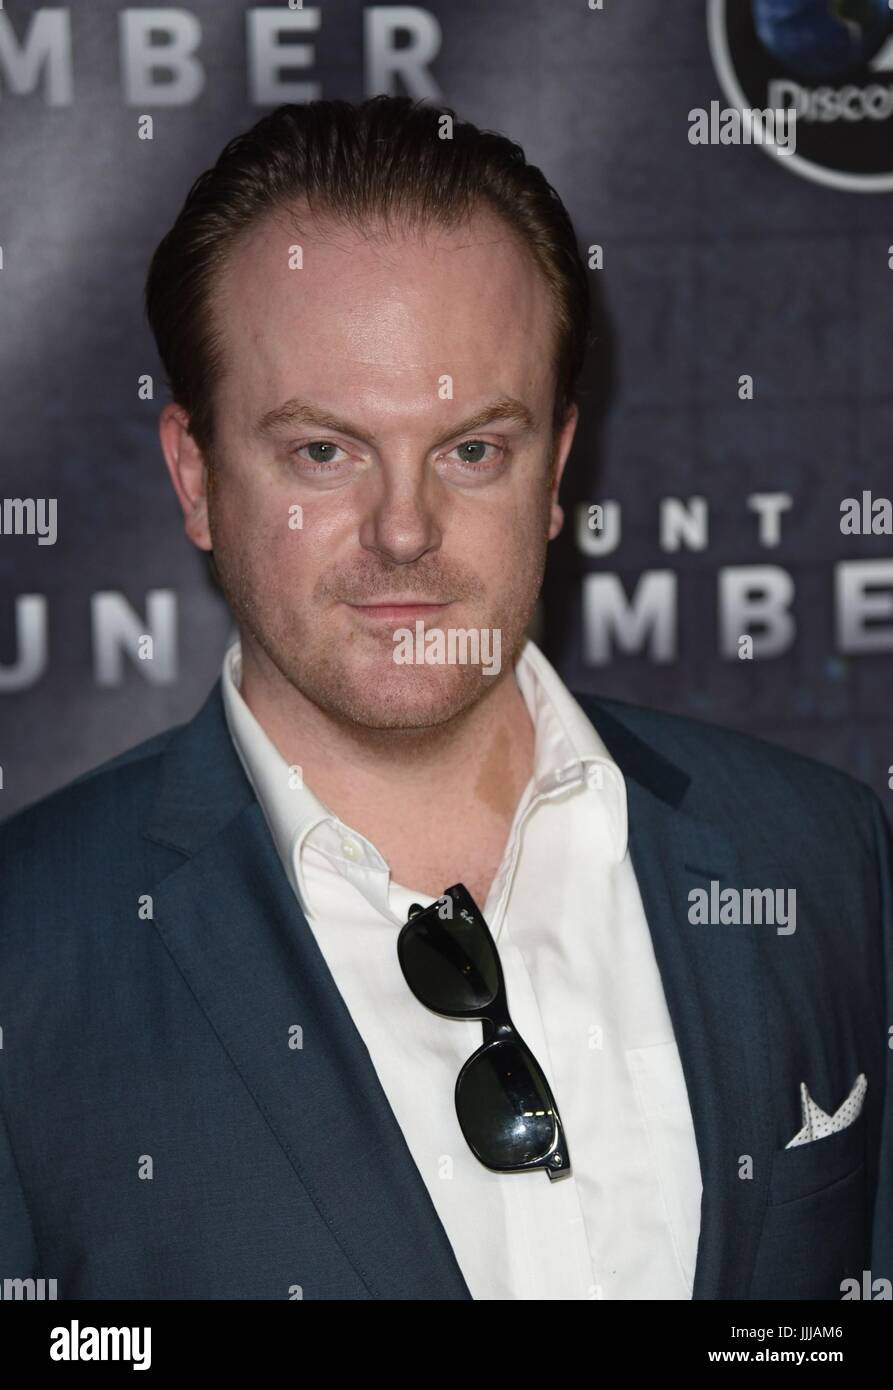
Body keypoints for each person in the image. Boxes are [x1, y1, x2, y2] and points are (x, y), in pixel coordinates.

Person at [0, 96, 890, 1302]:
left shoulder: (823, 857)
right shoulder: (32, 950)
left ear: (555, 466)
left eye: (471, 448)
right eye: (324, 450)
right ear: (195, 476)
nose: (405, 529)